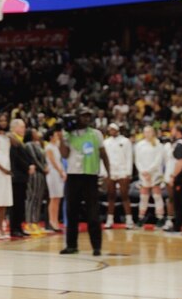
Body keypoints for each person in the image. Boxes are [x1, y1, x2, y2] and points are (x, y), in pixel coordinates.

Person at [60, 109, 110, 256]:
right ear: (77, 117)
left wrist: (108, 174)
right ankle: (71, 245)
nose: (87, 118)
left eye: (89, 116)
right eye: (83, 116)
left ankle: (96, 246)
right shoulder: (68, 134)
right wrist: (61, 138)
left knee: (93, 213)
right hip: (73, 175)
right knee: (71, 212)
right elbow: (64, 154)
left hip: (90, 175)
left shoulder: (96, 134)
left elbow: (103, 155)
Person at [103, 123, 134, 229]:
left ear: (117, 130)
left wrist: (128, 173)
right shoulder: (106, 142)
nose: (111, 131)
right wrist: (104, 172)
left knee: (124, 196)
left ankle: (129, 220)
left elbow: (129, 157)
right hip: (110, 171)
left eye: (113, 129)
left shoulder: (125, 141)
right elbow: (103, 158)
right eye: (110, 129)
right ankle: (109, 220)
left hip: (123, 171)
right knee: (111, 196)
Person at [134, 126, 165, 228]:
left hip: (155, 173)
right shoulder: (139, 145)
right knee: (143, 197)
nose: (147, 134)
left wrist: (149, 171)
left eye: (149, 132)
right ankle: (141, 217)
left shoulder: (158, 144)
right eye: (145, 132)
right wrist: (143, 171)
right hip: (143, 174)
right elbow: (137, 160)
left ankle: (160, 217)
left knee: (157, 196)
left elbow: (158, 160)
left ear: (153, 133)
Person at [8, 118, 32, 238]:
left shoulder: (19, 141)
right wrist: (28, 166)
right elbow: (16, 158)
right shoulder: (12, 140)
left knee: (21, 203)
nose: (24, 129)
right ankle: (14, 228)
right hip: (16, 176)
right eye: (22, 127)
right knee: (16, 204)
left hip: (22, 177)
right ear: (15, 127)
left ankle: (19, 227)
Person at [24, 127, 48, 235]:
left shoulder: (39, 144)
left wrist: (45, 167)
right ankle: (29, 222)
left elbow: (43, 159)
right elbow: (34, 159)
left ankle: (36, 221)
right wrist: (43, 168)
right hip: (34, 174)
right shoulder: (29, 145)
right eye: (34, 132)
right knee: (32, 198)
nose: (37, 133)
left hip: (41, 174)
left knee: (38, 198)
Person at [44, 129, 66, 232]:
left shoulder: (56, 146)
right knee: (53, 198)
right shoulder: (48, 147)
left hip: (58, 172)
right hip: (53, 173)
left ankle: (56, 220)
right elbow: (53, 162)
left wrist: (62, 172)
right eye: (55, 135)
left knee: (58, 199)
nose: (57, 136)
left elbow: (59, 160)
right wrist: (61, 172)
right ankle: (52, 221)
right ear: (50, 137)